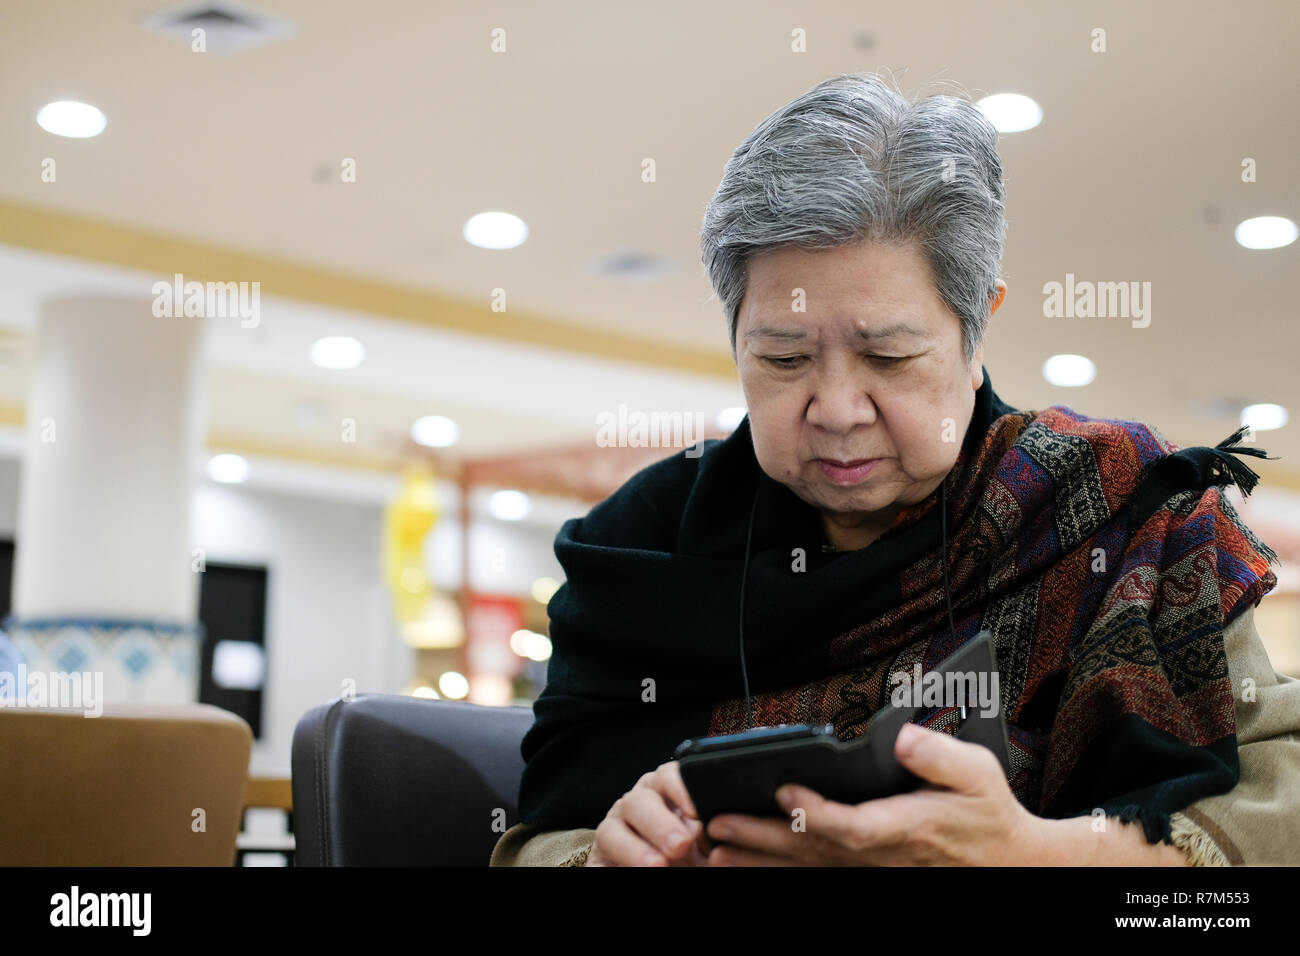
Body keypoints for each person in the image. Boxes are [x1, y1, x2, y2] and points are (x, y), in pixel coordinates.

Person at [491, 71, 1300, 866]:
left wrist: (1029, 856)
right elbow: (541, 835)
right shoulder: (641, 551)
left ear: (975, 335)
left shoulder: (1123, 513)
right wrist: (603, 857)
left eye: (888, 356)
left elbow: (1277, 818)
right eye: (783, 359)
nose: (838, 410)